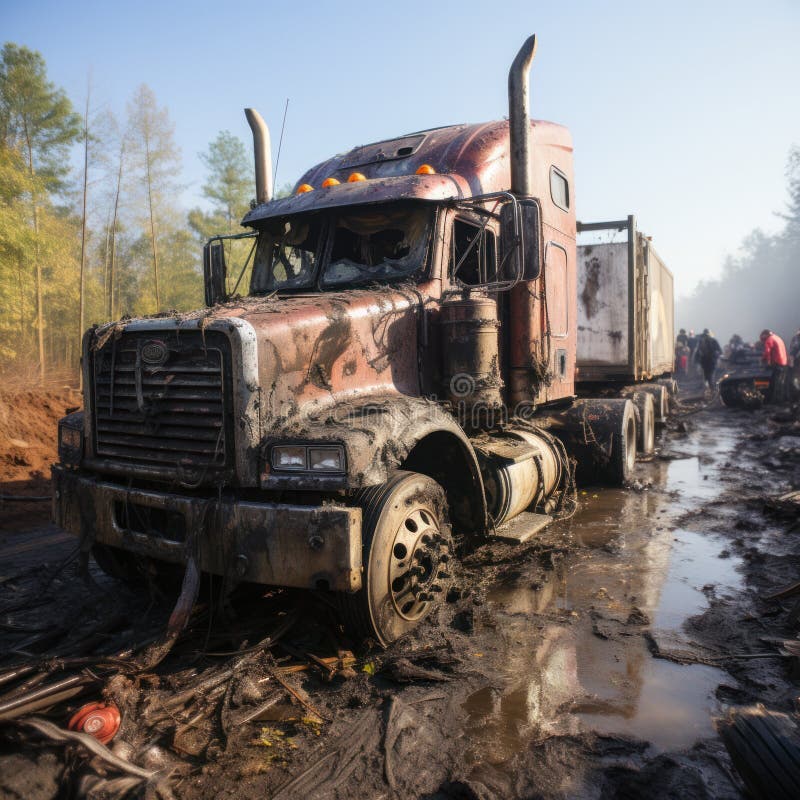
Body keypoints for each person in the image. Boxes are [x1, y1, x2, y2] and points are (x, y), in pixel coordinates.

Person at [760, 329, 788, 402]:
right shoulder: (777, 338)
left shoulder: (769, 339)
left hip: (777, 362)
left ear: (765, 335)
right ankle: (781, 399)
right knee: (780, 381)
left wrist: (763, 359)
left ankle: (773, 399)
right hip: (783, 362)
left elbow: (767, 352)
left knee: (773, 381)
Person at [694, 328, 722, 392]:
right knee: (708, 377)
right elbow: (720, 351)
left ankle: (711, 391)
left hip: (709, 362)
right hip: (707, 362)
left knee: (709, 377)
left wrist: (697, 361)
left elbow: (719, 351)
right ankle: (710, 391)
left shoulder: (711, 341)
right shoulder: (703, 342)